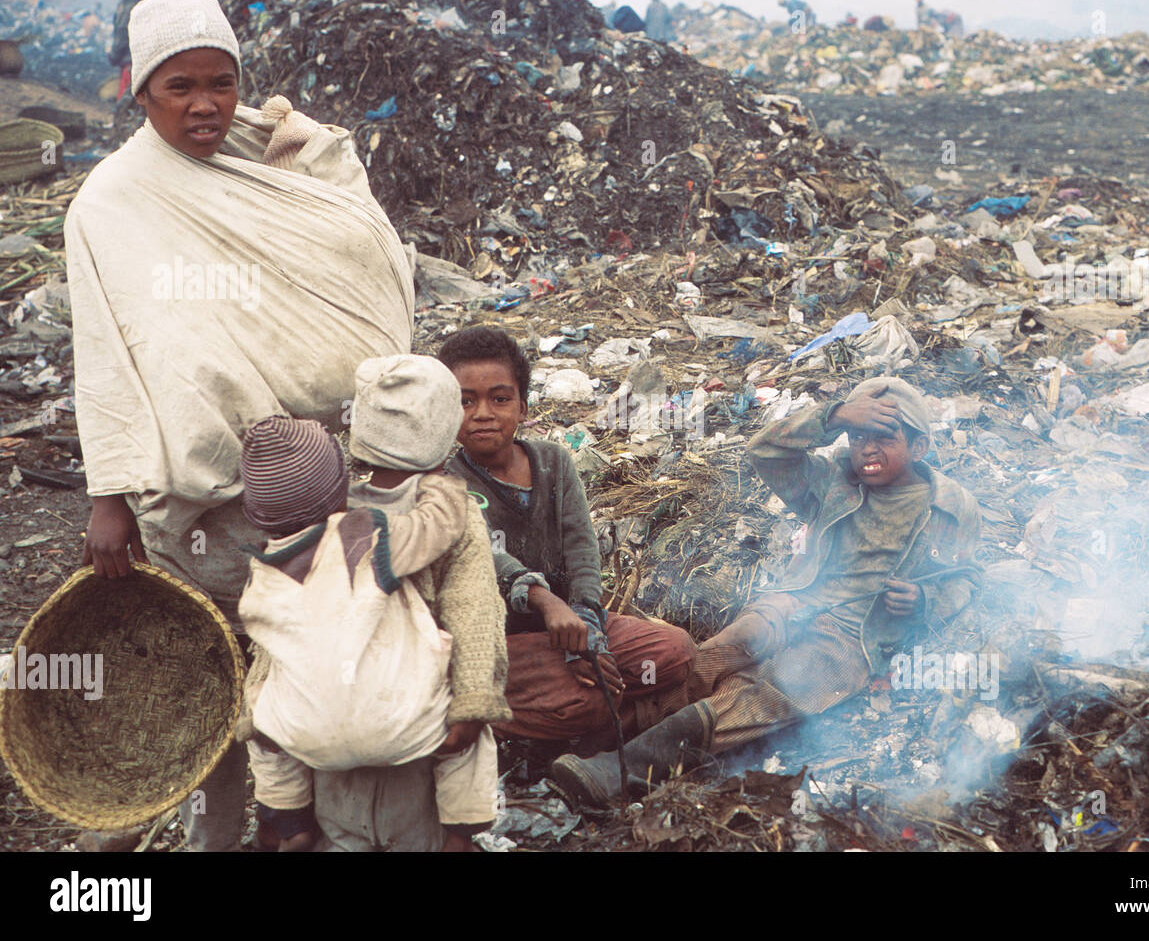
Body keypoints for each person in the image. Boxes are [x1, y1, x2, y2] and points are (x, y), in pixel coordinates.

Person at [67, 0, 413, 850]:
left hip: (311, 473)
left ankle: (308, 827)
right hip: (203, 498)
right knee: (217, 663)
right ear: (140, 91)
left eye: (222, 83)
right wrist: (108, 494)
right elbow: (106, 356)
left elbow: (357, 259)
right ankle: (219, 831)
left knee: (314, 655)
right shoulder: (110, 206)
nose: (205, 105)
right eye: (180, 86)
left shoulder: (275, 166)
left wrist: (310, 161)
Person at [550, 379, 983, 806]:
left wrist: (924, 602)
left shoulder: (949, 507)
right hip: (797, 601)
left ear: (920, 447)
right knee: (721, 652)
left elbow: (966, 579)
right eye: (858, 436)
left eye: (884, 438)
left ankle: (621, 772)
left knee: (764, 693)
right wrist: (832, 417)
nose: (867, 449)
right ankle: (602, 736)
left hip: (857, 637)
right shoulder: (835, 479)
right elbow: (764, 450)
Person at [236, 411, 502, 853]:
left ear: (254, 513)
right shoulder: (364, 535)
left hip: (307, 739)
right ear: (340, 489)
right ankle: (460, 834)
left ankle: (288, 819)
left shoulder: (260, 569)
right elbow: (436, 526)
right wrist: (438, 481)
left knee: (262, 713)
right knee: (469, 715)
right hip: (400, 727)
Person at [437, 327, 696, 750]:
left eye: (499, 399)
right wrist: (546, 601)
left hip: (574, 622)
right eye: (465, 401)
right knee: (586, 701)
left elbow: (581, 549)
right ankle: (626, 717)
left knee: (677, 651)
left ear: (523, 405)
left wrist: (588, 634)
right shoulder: (447, 482)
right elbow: (489, 555)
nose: (482, 413)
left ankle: (594, 716)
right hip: (505, 640)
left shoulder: (553, 462)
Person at [108, 0, 148, 102]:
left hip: (131, 61)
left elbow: (124, 29)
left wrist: (114, 54)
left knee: (126, 104)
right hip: (133, 60)